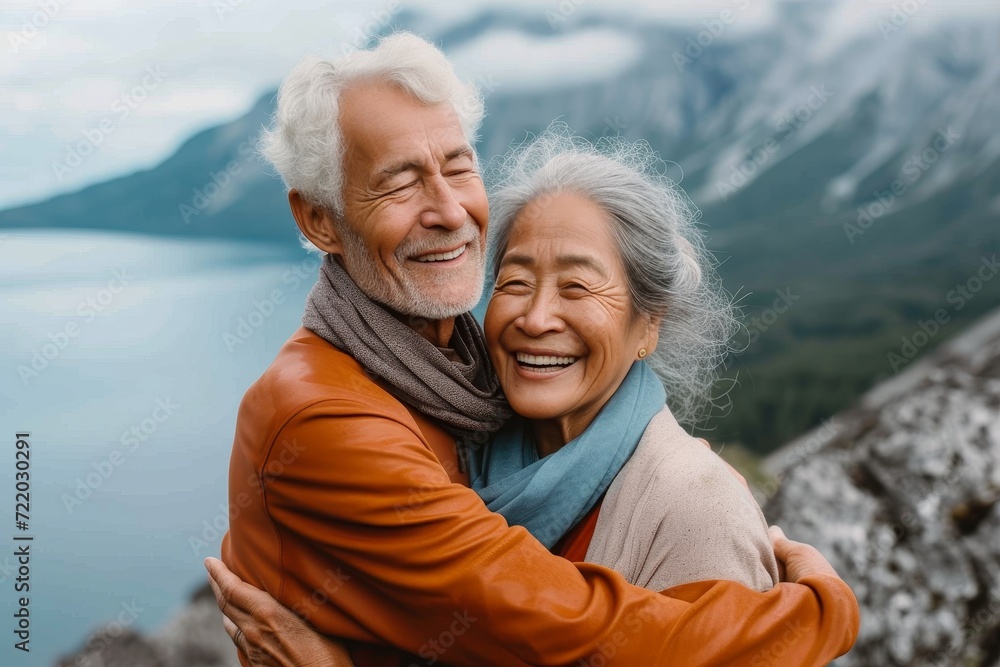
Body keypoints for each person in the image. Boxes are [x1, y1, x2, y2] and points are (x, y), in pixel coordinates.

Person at [213, 31, 859, 667]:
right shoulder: (329, 422)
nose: (449, 209)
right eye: (399, 182)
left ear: (649, 321)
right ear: (319, 219)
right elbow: (576, 627)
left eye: (459, 165)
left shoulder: (456, 394)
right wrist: (823, 613)